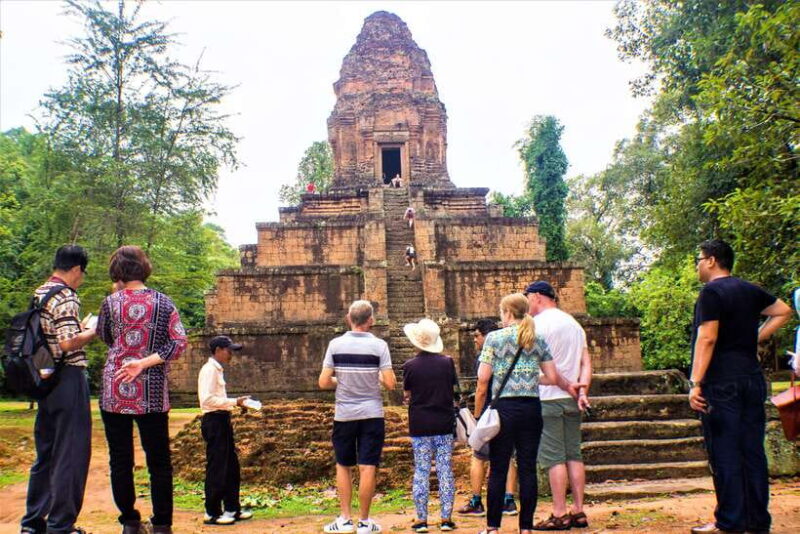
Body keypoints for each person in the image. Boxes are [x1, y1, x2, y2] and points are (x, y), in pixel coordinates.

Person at [688, 239, 792, 534]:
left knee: (725, 452)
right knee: (752, 450)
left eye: (699, 259)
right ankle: (758, 520)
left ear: (711, 261)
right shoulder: (750, 289)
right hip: (751, 377)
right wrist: (754, 338)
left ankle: (730, 521)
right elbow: (783, 311)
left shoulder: (711, 293)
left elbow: (706, 338)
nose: (697, 265)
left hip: (722, 381)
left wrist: (695, 383)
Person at [97, 246, 188, 534]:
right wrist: (145, 362)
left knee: (120, 459)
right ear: (144, 267)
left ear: (118, 272)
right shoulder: (164, 303)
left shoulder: (110, 303)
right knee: (159, 460)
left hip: (115, 390)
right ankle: (162, 524)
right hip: (152, 391)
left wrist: (129, 358)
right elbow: (178, 343)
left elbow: (105, 337)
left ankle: (130, 521)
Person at [474, 293, 583, 534]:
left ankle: (493, 527)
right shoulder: (536, 338)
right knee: (527, 468)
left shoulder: (494, 338)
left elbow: (483, 378)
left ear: (508, 313)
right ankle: (526, 528)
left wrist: (479, 410)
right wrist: (532, 379)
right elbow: (552, 377)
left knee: (499, 468)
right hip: (531, 408)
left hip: (504, 408)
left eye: (502, 313)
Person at [20, 245, 96, 534]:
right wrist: (91, 331)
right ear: (76, 269)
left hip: (44, 379)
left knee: (47, 452)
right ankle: (61, 525)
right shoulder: (65, 296)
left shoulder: (39, 294)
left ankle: (32, 523)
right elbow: (66, 342)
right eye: (82, 274)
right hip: (68, 378)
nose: (81, 279)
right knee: (71, 452)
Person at [319, 300, 397, 534]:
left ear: (348, 319)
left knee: (344, 466)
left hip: (344, 414)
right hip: (372, 414)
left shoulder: (335, 344)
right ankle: (364, 522)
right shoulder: (380, 346)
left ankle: (344, 519)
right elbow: (391, 383)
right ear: (371, 320)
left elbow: (323, 382)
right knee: (368, 466)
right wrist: (375, 378)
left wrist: (341, 379)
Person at [524, 281, 592, 531]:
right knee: (574, 454)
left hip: (548, 398)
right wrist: (581, 389)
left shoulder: (536, 326)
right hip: (573, 400)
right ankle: (579, 510)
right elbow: (586, 362)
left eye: (528, 298)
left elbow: (534, 370)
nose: (527, 303)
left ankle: (560, 512)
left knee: (554, 458)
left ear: (538, 297)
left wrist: (565, 385)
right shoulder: (574, 324)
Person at [457, 318, 520, 518]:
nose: (474, 339)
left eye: (477, 335)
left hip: (489, 412)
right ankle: (508, 500)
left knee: (478, 456)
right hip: (509, 410)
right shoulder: (509, 353)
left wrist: (476, 416)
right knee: (508, 455)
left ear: (486, 336)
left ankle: (476, 501)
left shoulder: (486, 355)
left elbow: (481, 388)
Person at [402, 318, 458, 533]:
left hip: (420, 424)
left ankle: (422, 519)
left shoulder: (409, 366)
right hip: (443, 422)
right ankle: (445, 518)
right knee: (445, 470)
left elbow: (407, 394)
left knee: (422, 470)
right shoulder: (447, 362)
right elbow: (451, 389)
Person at [198, 336, 255, 525]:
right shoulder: (209, 371)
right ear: (218, 350)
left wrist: (238, 404)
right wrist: (234, 401)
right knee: (217, 466)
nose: (231, 354)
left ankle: (232, 508)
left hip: (222, 419)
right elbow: (206, 400)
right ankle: (212, 511)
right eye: (229, 350)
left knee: (231, 466)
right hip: (213, 421)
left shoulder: (217, 370)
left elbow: (217, 398)